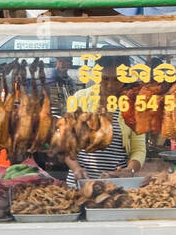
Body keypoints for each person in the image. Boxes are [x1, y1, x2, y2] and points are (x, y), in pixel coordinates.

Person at [60, 56, 146, 186]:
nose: (111, 85)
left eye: (117, 79)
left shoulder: (132, 105)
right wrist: (75, 168)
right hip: (81, 182)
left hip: (116, 184)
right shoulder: (80, 98)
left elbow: (138, 149)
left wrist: (130, 170)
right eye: (105, 79)